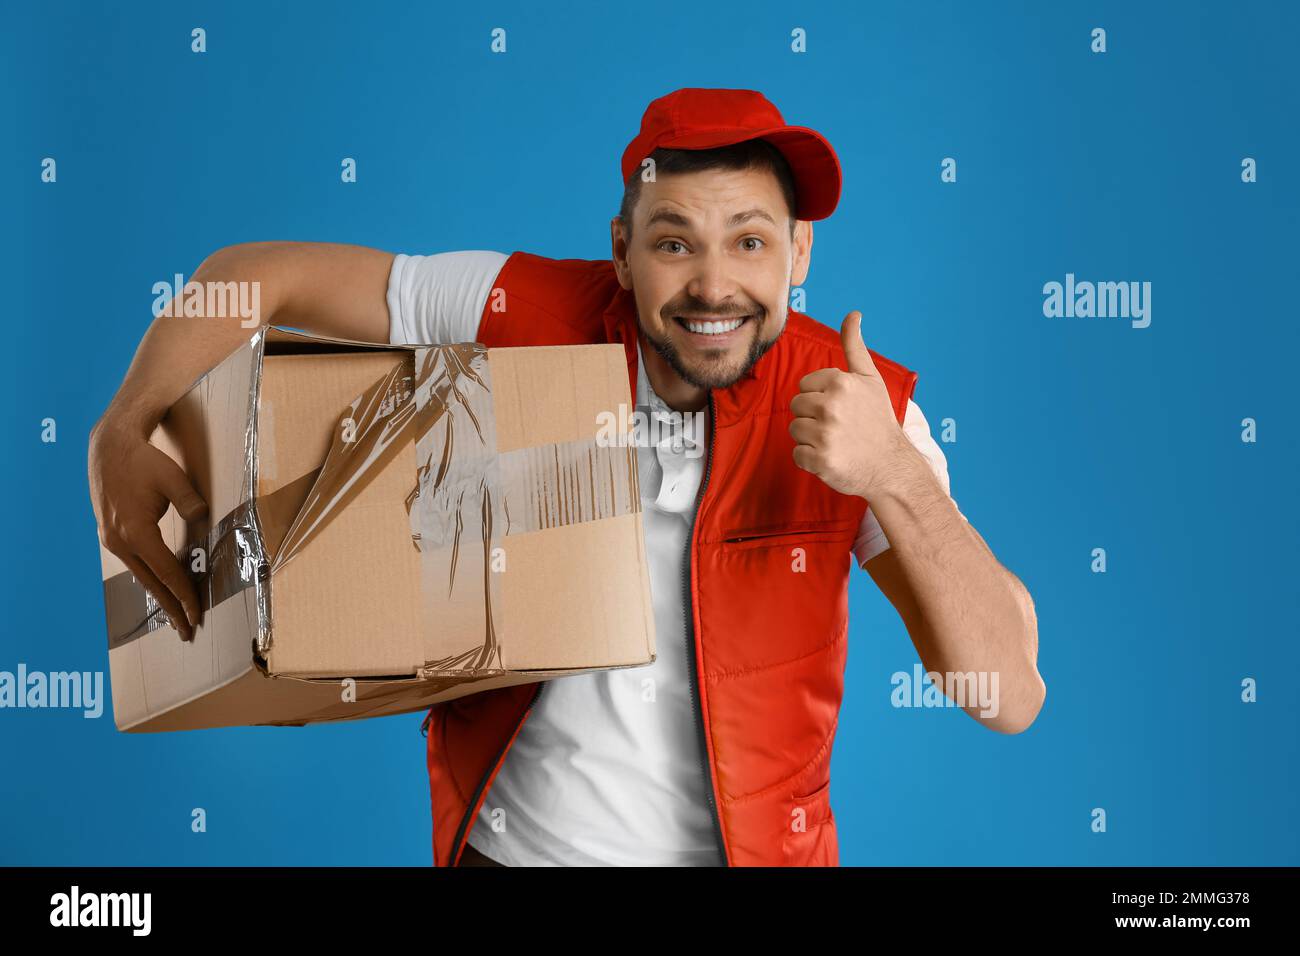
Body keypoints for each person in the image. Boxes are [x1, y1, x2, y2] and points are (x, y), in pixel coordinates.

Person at [88, 87, 1045, 867]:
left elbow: (1007, 694)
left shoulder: (859, 404)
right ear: (622, 250)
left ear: (799, 254)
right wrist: (123, 427)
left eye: (750, 241)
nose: (714, 286)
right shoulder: (519, 310)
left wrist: (894, 476)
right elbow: (261, 274)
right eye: (675, 241)